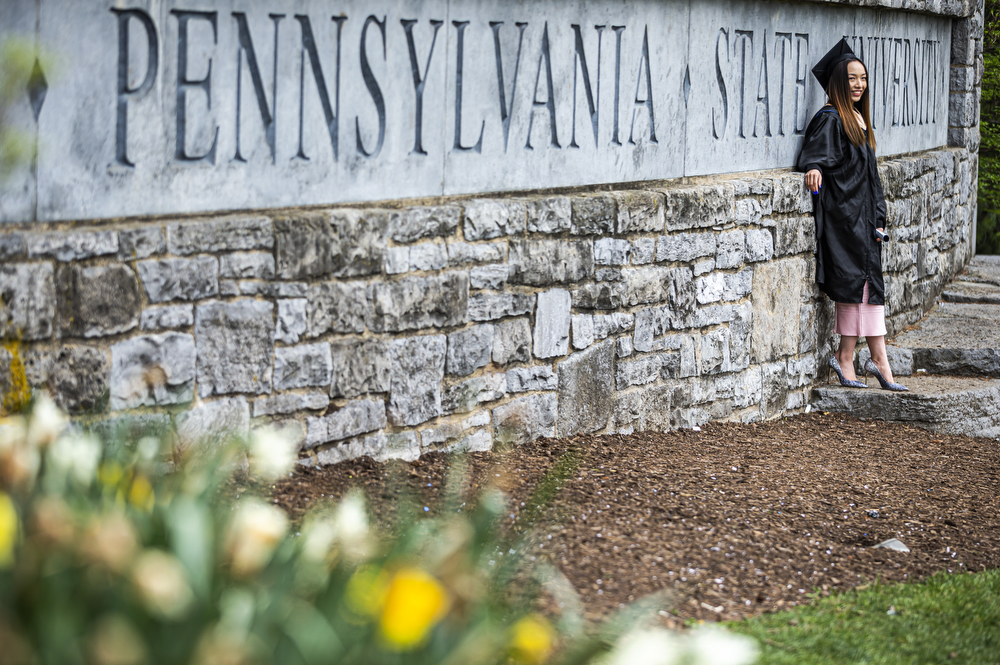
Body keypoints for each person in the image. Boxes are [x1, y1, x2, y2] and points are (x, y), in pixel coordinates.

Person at [797, 39, 907, 391]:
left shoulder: (858, 118)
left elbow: (872, 178)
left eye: (863, 78)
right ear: (838, 83)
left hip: (864, 220)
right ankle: (867, 361)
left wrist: (879, 219)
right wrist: (813, 167)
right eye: (852, 78)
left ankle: (858, 358)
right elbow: (816, 153)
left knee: (865, 289)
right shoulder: (830, 119)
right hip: (844, 218)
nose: (859, 84)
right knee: (856, 287)